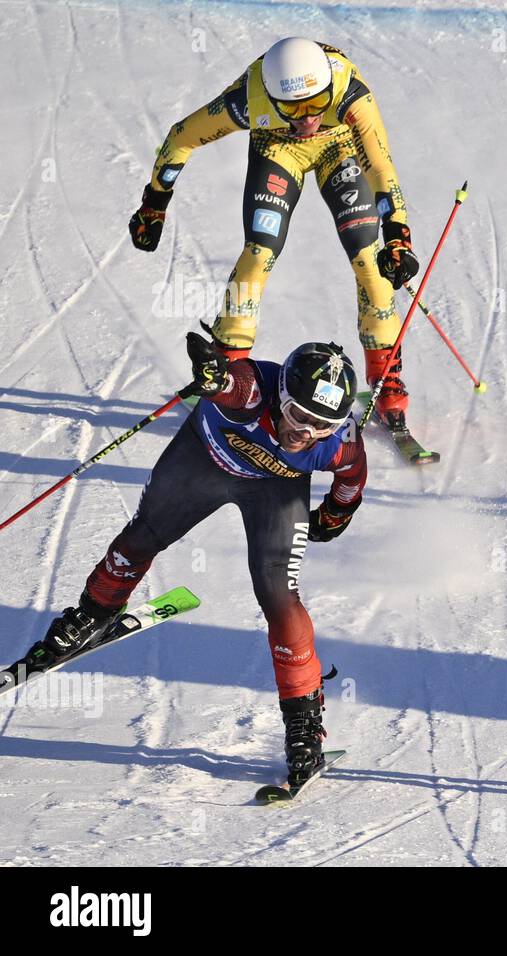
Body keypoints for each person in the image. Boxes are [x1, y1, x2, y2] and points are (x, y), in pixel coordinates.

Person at [22, 334, 367, 787]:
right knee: (141, 538)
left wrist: (334, 516)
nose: (305, 432)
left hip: (274, 492)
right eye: (299, 415)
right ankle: (94, 613)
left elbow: (352, 479)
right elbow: (233, 384)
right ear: (281, 396)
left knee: (278, 595)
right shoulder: (255, 392)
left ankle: (304, 725)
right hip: (201, 463)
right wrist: (215, 376)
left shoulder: (338, 442)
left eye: (321, 424)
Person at [128, 37, 420, 430]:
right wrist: (154, 204)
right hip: (278, 146)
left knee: (369, 256)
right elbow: (182, 136)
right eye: (292, 109)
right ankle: (228, 374)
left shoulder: (351, 94)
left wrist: (398, 237)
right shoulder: (247, 99)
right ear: (271, 97)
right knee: (260, 252)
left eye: (316, 105)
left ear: (328, 92)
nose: (306, 119)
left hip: (340, 147)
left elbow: (381, 169)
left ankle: (387, 382)